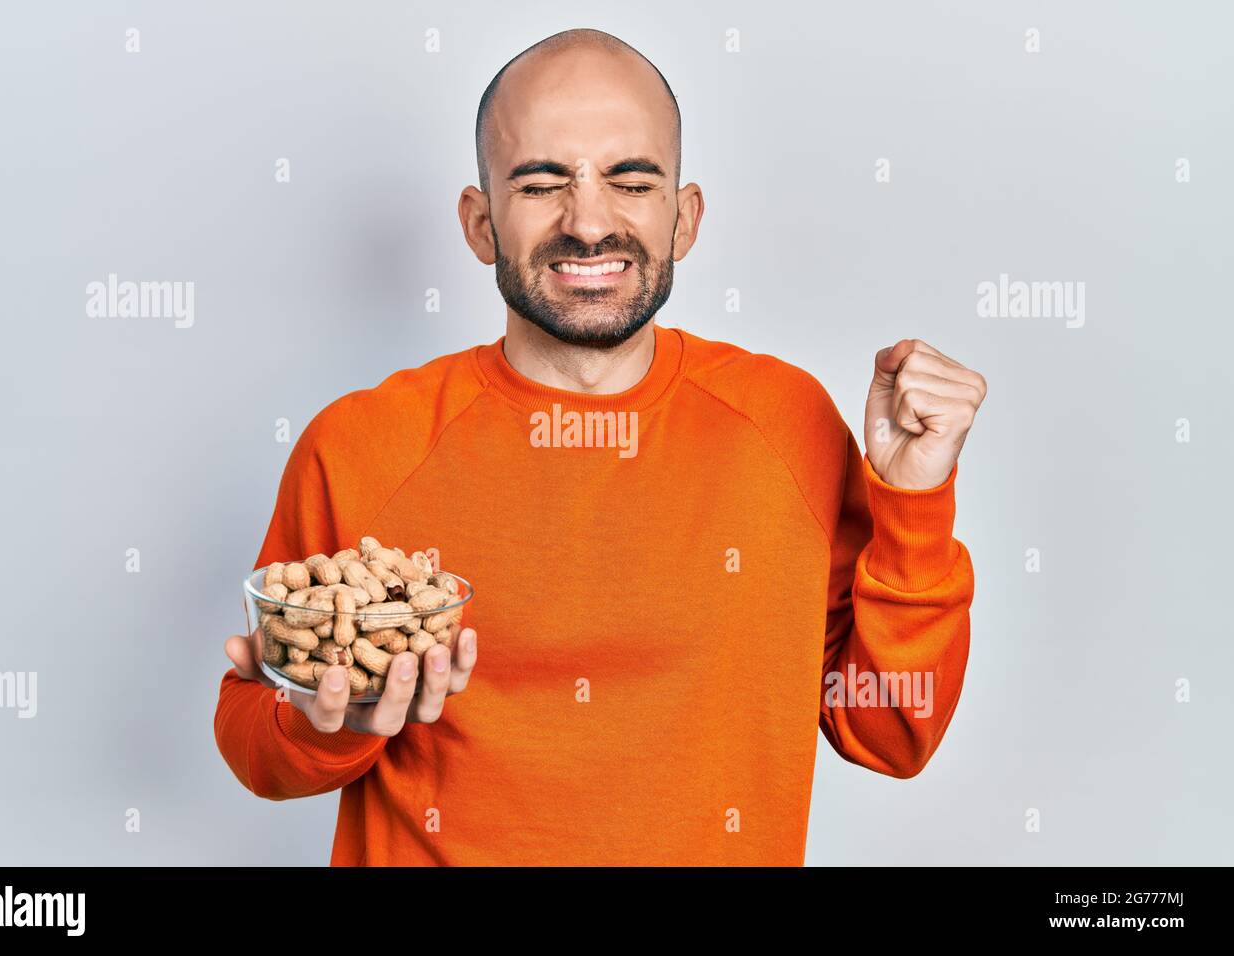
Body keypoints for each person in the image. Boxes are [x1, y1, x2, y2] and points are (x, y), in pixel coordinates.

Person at [214, 28, 986, 865]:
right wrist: (336, 724)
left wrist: (913, 501)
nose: (589, 223)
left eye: (631, 180)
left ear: (684, 219)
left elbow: (890, 733)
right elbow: (254, 738)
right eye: (543, 183)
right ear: (480, 225)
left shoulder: (786, 422)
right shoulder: (362, 444)